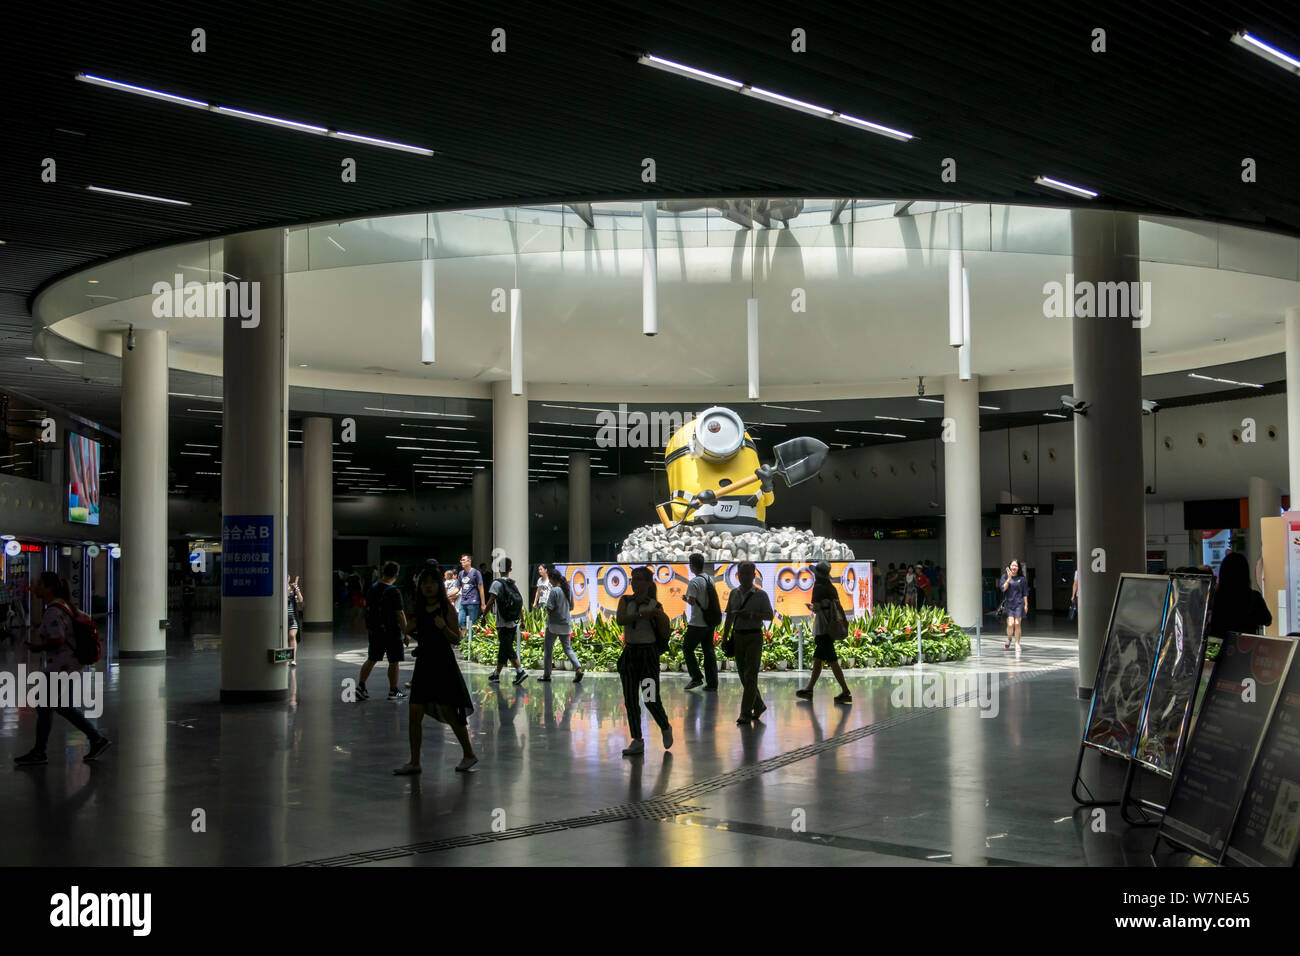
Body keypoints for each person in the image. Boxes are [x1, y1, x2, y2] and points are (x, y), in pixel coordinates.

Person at [13, 572, 111, 766]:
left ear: (49, 587)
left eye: (39, 584)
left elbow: (58, 639)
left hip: (60, 666)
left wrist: (38, 647)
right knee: (60, 706)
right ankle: (96, 739)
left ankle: (40, 752)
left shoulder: (52, 611)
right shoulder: (65, 606)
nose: (36, 588)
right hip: (70, 664)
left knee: (46, 706)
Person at [393, 565, 477, 774]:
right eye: (424, 582)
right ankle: (414, 761)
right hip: (424, 663)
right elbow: (409, 628)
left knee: (450, 711)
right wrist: (407, 626)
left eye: (432, 582)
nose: (428, 586)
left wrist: (443, 627)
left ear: (438, 585)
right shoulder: (419, 608)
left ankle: (468, 753)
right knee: (414, 712)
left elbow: (456, 639)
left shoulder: (446, 608)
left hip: (442, 664)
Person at [615, 566, 673, 756]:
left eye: (640, 579)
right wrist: (641, 615)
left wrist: (657, 616)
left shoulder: (655, 606)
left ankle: (664, 725)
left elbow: (665, 631)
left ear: (648, 584)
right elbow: (621, 619)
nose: (636, 583)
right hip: (630, 654)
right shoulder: (625, 600)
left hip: (647, 656)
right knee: (630, 699)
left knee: (650, 698)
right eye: (634, 579)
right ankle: (637, 739)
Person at [723, 561, 774, 724]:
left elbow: (769, 615)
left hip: (754, 636)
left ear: (754, 575)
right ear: (738, 575)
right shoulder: (733, 594)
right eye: (742, 573)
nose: (745, 576)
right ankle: (758, 705)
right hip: (738, 637)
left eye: (748, 573)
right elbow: (729, 616)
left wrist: (752, 615)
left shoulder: (761, 595)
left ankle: (745, 712)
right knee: (743, 675)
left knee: (750, 675)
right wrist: (724, 637)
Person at [796, 562, 852, 704]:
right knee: (818, 660)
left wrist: (811, 607)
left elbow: (816, 606)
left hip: (823, 628)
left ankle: (845, 691)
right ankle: (809, 689)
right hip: (830, 627)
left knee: (831, 661)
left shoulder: (819, 587)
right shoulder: (831, 587)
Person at [359, 561, 408, 701]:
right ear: (396, 574)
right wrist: (406, 632)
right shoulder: (394, 591)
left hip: (375, 630)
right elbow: (400, 613)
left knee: (372, 658)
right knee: (394, 660)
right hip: (391, 631)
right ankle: (393, 690)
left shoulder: (372, 588)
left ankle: (361, 686)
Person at [483, 556, 528, 685]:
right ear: (510, 569)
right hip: (513, 621)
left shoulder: (497, 583)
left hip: (503, 622)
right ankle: (496, 674)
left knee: (507, 647)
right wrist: (522, 620)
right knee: (504, 647)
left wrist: (484, 616)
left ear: (499, 568)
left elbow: (491, 601)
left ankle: (520, 671)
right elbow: (519, 602)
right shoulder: (512, 583)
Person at [1209, 551, 1272, 636]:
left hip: (1220, 645)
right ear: (1245, 573)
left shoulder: (1214, 597)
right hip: (1246, 645)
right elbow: (1267, 620)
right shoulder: (1254, 597)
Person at [540, 567, 583, 682]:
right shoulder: (568, 590)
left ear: (553, 579)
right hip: (566, 624)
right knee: (567, 648)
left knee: (548, 650)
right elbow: (572, 607)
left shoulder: (554, 591)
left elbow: (549, 608)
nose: (549, 582)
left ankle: (547, 675)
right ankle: (578, 667)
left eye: (550, 579)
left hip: (553, 625)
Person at [682, 553, 718, 691]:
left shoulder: (694, 582)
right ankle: (712, 683)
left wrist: (685, 599)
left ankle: (696, 677)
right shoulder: (710, 579)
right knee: (709, 652)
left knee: (687, 648)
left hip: (697, 623)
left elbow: (692, 601)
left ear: (692, 566)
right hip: (709, 622)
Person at [1000, 559, 1029, 650]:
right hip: (1009, 603)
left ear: (1018, 568)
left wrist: (1026, 605)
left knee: (1017, 624)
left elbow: (1025, 593)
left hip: (1019, 604)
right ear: (1009, 567)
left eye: (1016, 566)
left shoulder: (1022, 579)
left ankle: (1017, 643)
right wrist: (1009, 579)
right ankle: (1009, 638)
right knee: (1010, 624)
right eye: (1012, 565)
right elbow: (1003, 589)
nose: (1014, 567)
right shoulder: (1004, 577)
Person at [456, 553, 485, 636]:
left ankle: (472, 641)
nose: (462, 562)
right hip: (463, 601)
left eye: (464, 560)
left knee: (472, 624)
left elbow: (481, 588)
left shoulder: (476, 572)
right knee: (461, 621)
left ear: (469, 561)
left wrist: (483, 604)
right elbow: (458, 588)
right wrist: (448, 595)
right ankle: (465, 640)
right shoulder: (461, 573)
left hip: (473, 601)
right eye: (461, 560)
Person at [287, 575, 303, 664]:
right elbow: (283, 598)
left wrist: (296, 591)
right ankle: (286, 658)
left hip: (292, 617)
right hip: (282, 619)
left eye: (288, 576)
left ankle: (293, 659)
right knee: (283, 639)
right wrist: (290, 589)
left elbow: (300, 600)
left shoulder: (294, 586)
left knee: (292, 636)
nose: (287, 578)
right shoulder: (279, 587)